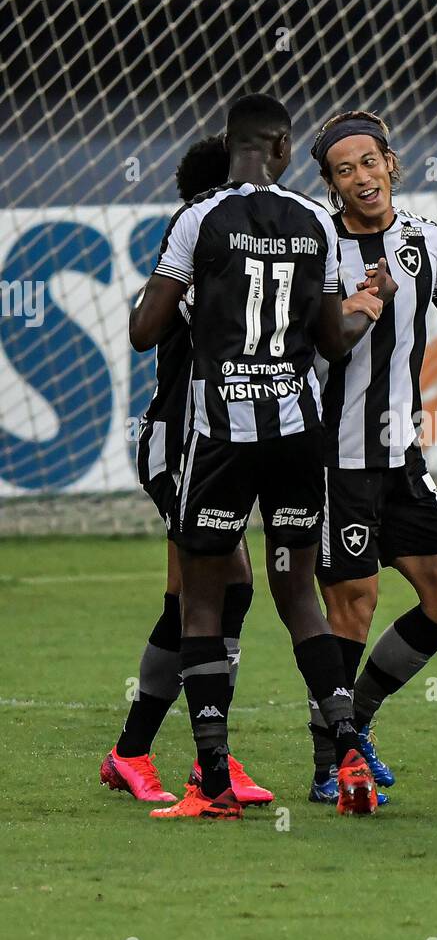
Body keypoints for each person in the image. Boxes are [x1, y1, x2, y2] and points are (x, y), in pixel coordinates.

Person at [129, 93, 393, 818]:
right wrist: (364, 307)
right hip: (296, 438)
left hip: (221, 438)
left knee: (204, 598)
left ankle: (211, 780)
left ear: (235, 143)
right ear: (280, 148)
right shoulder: (314, 222)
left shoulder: (199, 219)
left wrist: (190, 296)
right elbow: (334, 341)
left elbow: (144, 330)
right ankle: (345, 751)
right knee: (298, 595)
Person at [304, 110, 437, 803]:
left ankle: (358, 723)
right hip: (335, 460)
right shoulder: (317, 247)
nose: (361, 177)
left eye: (369, 162)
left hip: (400, 456)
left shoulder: (423, 243)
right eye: (344, 169)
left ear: (390, 163)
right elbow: (308, 342)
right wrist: (352, 311)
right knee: (354, 603)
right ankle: (332, 761)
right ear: (329, 182)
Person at [100, 135, 269, 806]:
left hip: (217, 442)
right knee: (203, 590)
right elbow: (147, 331)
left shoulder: (240, 251)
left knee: (226, 590)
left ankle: (179, 753)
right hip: (177, 445)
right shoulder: (203, 253)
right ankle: (150, 753)